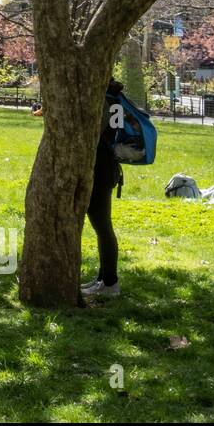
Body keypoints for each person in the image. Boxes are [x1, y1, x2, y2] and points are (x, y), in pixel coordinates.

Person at [81, 80, 124, 298]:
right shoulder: (114, 100)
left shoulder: (105, 102)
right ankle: (102, 279)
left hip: (100, 169)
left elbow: (91, 133)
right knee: (102, 227)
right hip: (106, 167)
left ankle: (110, 282)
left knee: (103, 227)